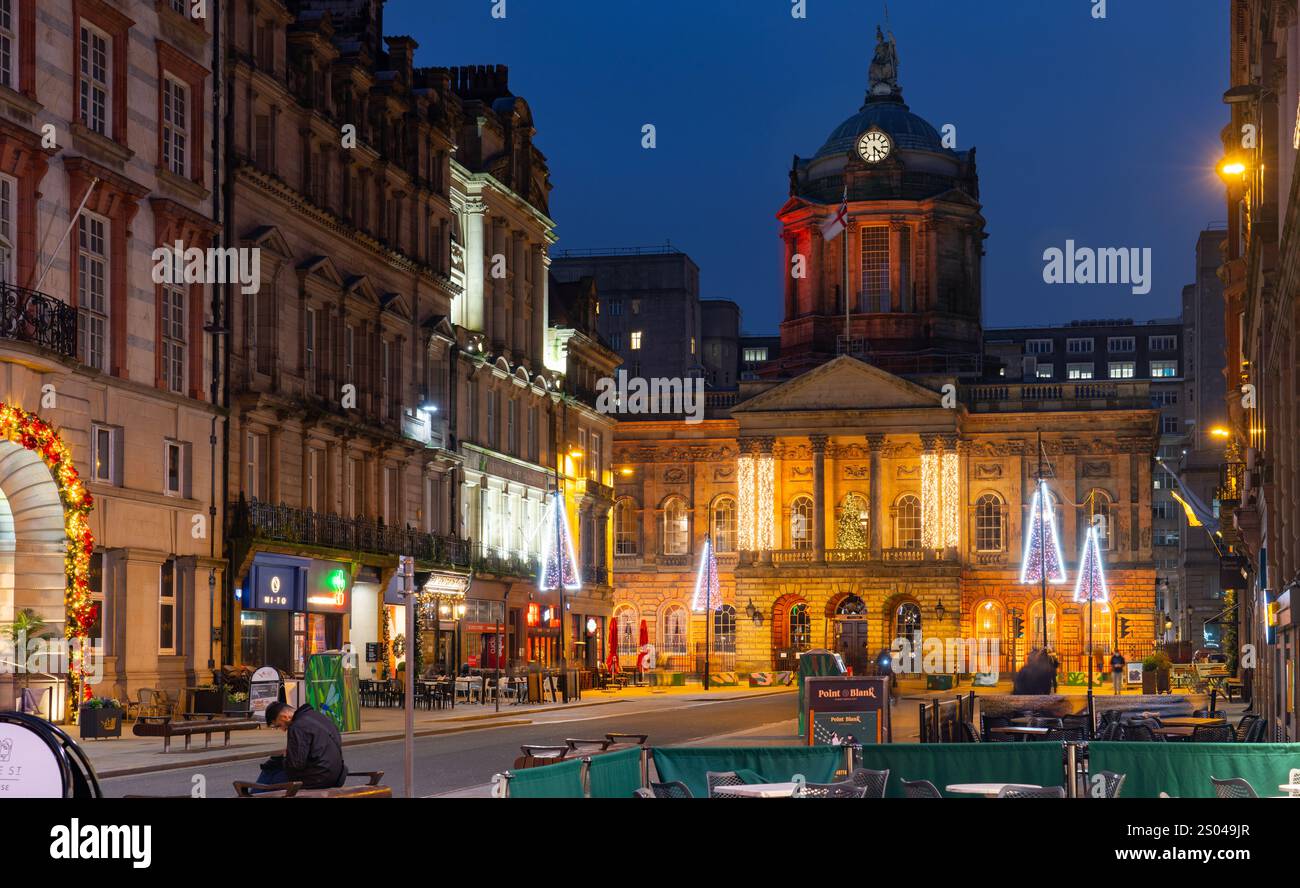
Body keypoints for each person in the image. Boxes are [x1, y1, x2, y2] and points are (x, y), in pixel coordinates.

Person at [257, 701, 346, 789]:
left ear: (284, 717)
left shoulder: (297, 727)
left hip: (319, 777)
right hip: (336, 774)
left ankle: (253, 794)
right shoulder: (320, 717)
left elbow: (296, 765)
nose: (283, 729)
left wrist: (285, 757)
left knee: (270, 772)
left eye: (279, 725)